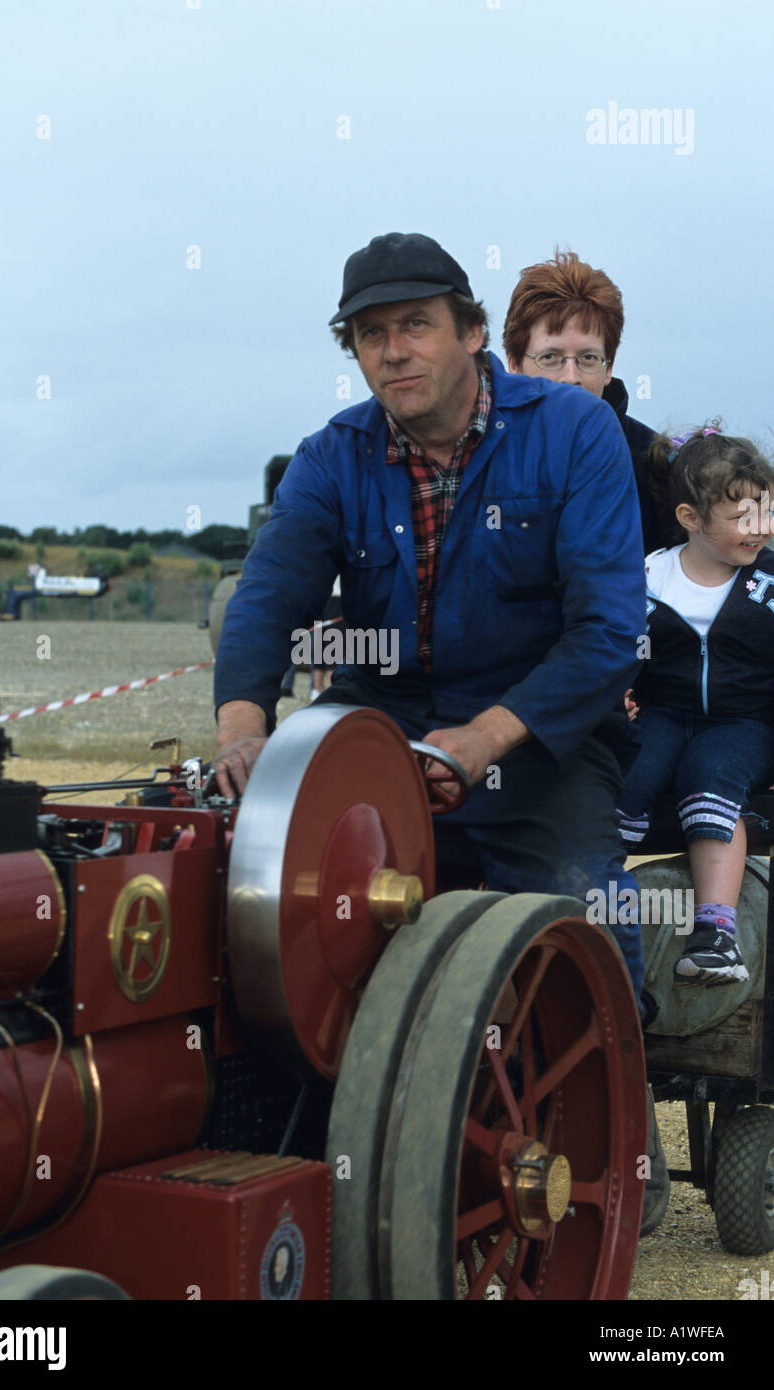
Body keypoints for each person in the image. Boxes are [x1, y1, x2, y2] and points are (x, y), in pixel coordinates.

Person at [213, 230, 647, 1008]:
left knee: (588, 939)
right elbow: (269, 596)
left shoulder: (576, 433)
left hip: (541, 747)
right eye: (369, 335)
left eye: (414, 324)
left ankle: (604, 1097)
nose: (391, 351)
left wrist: (485, 738)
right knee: (259, 913)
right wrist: (242, 727)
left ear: (472, 333)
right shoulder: (330, 456)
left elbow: (607, 633)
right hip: (380, 732)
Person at [619, 426, 774, 984]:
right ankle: (595, 902)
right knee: (626, 774)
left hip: (745, 722)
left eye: (766, 511)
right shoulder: (649, 578)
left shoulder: (770, 583)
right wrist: (621, 693)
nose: (760, 528)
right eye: (742, 516)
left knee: (709, 778)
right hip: (666, 713)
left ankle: (716, 933)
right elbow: (616, 649)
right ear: (690, 518)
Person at [503, 250, 667, 553]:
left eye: (588, 358)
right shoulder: (476, 457)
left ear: (610, 366)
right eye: (550, 357)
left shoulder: (658, 468)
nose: (571, 377)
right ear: (513, 363)